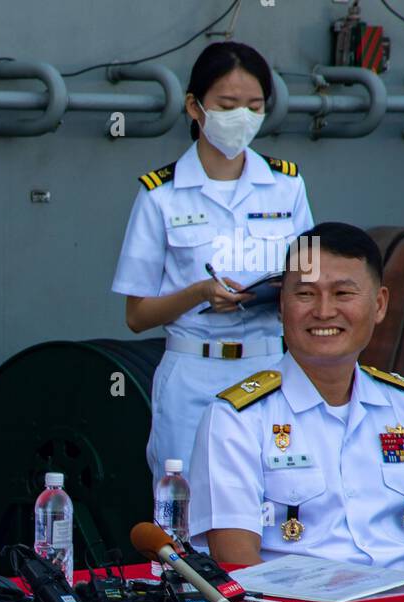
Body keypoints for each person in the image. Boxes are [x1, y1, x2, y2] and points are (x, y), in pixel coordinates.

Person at [188, 223, 404, 585]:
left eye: (342, 293)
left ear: (380, 304)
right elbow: (237, 561)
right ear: (280, 305)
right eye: (305, 294)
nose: (323, 311)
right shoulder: (236, 420)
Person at [111, 41, 315, 483]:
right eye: (227, 104)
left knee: (276, 500)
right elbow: (136, 316)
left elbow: (312, 281)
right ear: (194, 107)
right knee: (185, 507)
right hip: (192, 370)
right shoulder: (159, 194)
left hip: (268, 368)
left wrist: (278, 294)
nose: (242, 116)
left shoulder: (287, 186)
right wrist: (200, 293)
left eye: (254, 106)